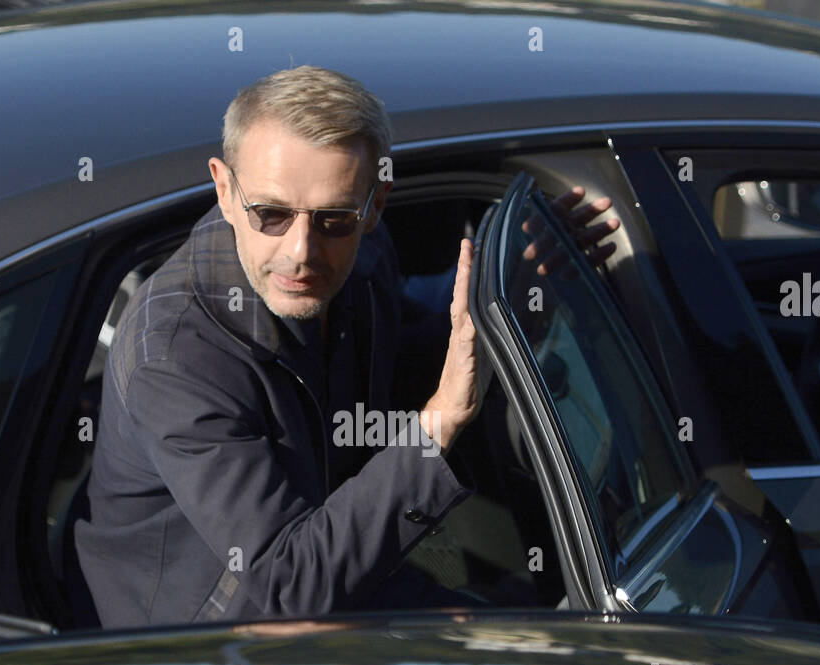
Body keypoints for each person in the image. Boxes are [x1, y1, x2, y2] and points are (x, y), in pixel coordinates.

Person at [75, 65, 616, 627]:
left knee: (531, 629)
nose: (301, 251)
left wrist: (523, 284)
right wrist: (440, 422)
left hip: (329, 566)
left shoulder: (364, 249)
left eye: (333, 218)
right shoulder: (175, 354)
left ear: (375, 205)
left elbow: (397, 351)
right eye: (271, 214)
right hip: (203, 642)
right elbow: (292, 584)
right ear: (223, 189)